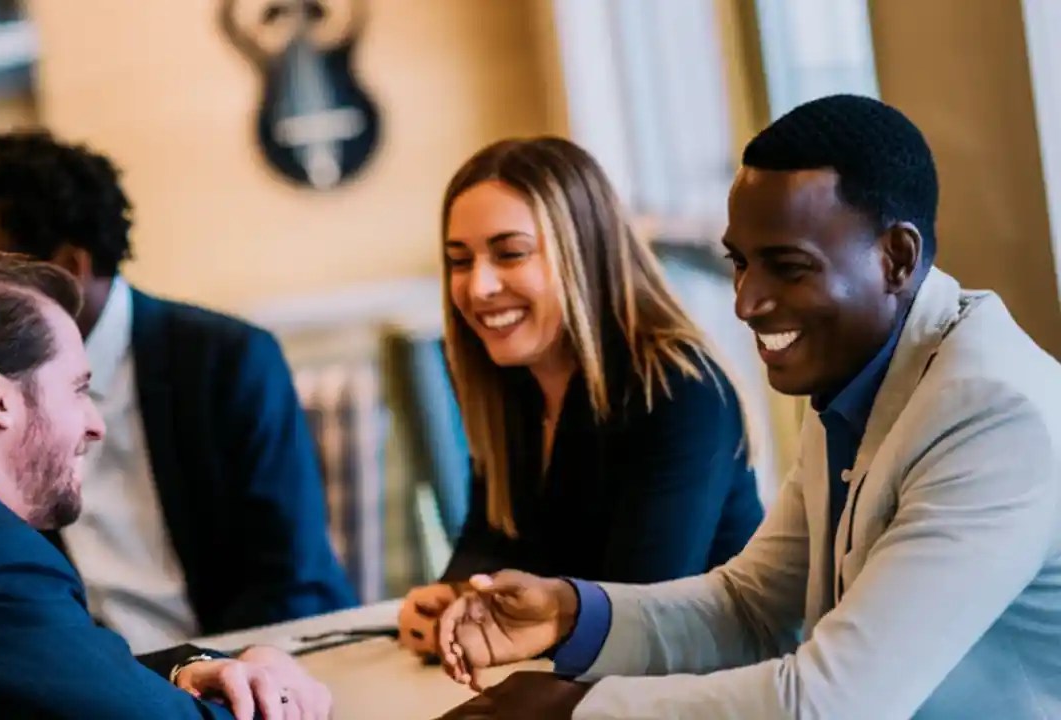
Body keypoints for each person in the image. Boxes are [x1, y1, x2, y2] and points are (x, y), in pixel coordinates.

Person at [433, 95, 1061, 719]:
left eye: (787, 268)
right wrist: (571, 613)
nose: (746, 302)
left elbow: (826, 705)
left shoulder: (994, 416)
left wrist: (572, 710)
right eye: (740, 263)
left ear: (895, 257)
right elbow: (751, 607)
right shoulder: (859, 377)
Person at [0, 252, 332, 719]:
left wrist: (192, 665)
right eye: (76, 388)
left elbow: (80, 678)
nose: (94, 423)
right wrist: (272, 673)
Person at [0, 131, 357, 651]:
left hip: (268, 665)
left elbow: (289, 575)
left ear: (69, 268)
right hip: (108, 687)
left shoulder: (227, 359)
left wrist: (200, 682)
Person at [397, 137, 765, 657]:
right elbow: (487, 544)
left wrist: (513, 628)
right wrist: (446, 601)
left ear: (584, 253)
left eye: (510, 254)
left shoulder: (680, 388)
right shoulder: (514, 383)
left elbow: (639, 612)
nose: (478, 287)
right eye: (460, 261)